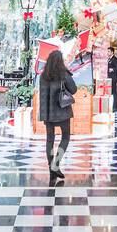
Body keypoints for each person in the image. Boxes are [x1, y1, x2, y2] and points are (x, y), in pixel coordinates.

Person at [37, 49, 77, 179]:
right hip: (62, 111)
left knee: (50, 139)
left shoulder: (43, 76)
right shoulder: (64, 74)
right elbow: (74, 89)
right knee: (65, 137)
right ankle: (56, 164)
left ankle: (51, 165)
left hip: (48, 113)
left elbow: (42, 95)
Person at [106, 45, 117, 117]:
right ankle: (112, 106)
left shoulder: (115, 59)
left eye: (109, 51)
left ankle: (115, 107)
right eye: (107, 51)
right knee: (111, 92)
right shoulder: (109, 59)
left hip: (113, 78)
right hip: (109, 77)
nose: (108, 53)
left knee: (114, 92)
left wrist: (112, 69)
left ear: (112, 52)